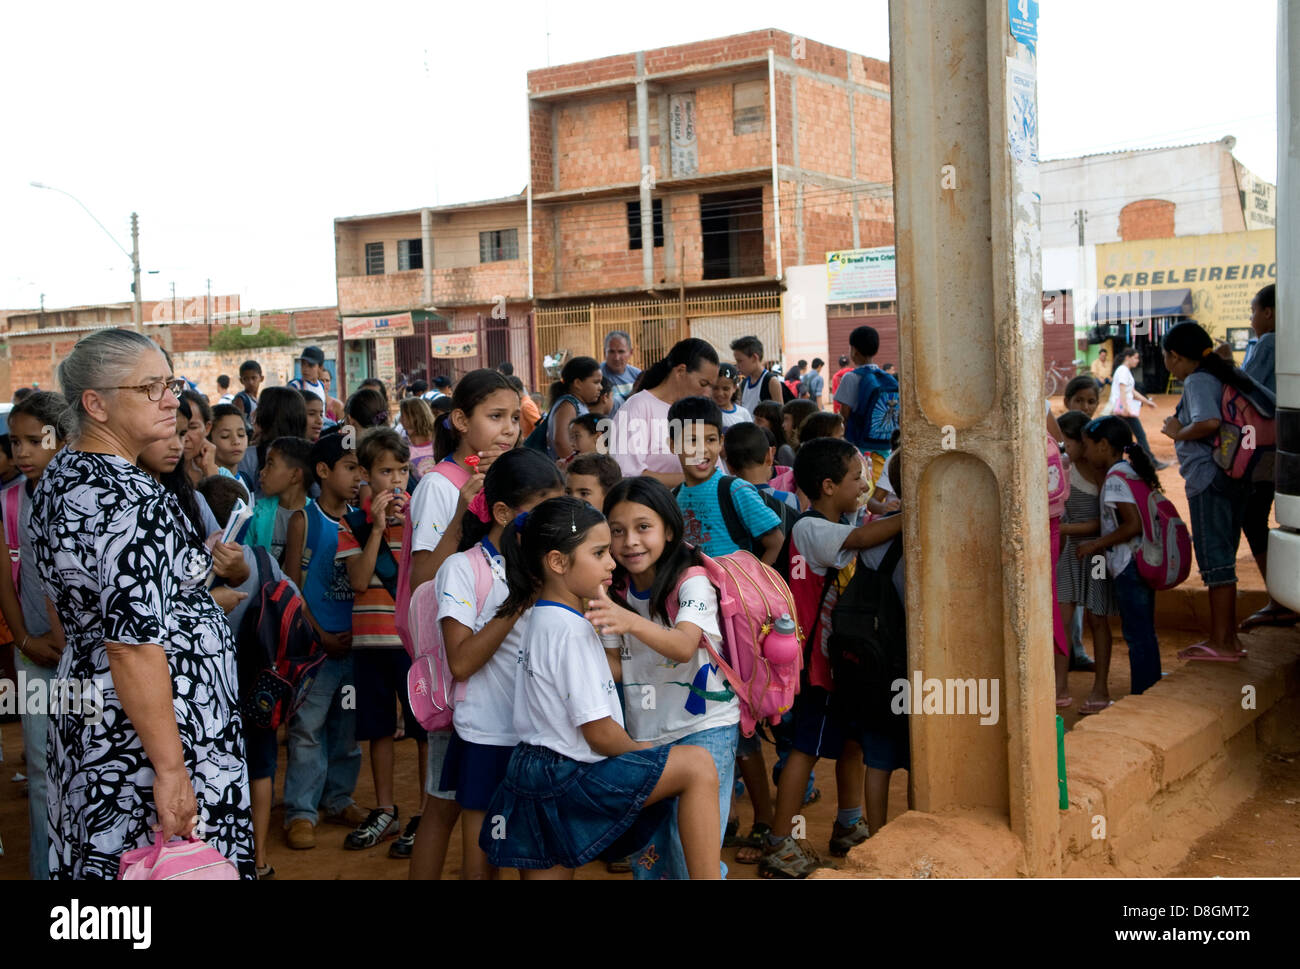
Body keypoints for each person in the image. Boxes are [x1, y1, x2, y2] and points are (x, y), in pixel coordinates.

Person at [29, 328, 254, 879]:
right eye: (150, 387)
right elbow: (131, 646)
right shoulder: (131, 497)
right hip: (148, 743)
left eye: (170, 383)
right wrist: (172, 770)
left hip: (96, 722)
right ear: (96, 404)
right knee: (166, 866)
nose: (171, 399)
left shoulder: (61, 477)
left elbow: (88, 604)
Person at [479, 496, 721, 879]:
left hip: (531, 771)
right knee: (696, 766)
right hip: (568, 775)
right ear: (558, 562)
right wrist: (642, 754)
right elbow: (599, 732)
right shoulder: (571, 631)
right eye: (599, 552)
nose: (612, 562)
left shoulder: (540, 618)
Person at [759, 437, 903, 878]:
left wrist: (883, 504)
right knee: (806, 748)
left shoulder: (833, 518)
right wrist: (912, 513)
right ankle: (779, 842)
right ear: (826, 486)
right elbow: (862, 536)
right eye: (855, 478)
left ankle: (847, 823)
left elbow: (866, 516)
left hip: (839, 663)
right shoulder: (811, 529)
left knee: (852, 742)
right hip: (813, 665)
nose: (863, 487)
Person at [586, 477, 739, 878]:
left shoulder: (693, 581)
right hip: (646, 734)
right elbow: (620, 667)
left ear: (669, 530)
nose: (630, 541)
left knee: (693, 856)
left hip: (706, 727)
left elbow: (684, 645)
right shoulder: (611, 590)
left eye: (643, 527)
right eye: (616, 531)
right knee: (651, 856)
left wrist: (628, 621)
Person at [439, 450, 565, 879]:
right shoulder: (462, 569)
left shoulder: (553, 566)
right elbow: (460, 662)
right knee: (482, 866)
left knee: (542, 860)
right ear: (502, 512)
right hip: (488, 737)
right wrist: (519, 601)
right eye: (540, 512)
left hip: (546, 737)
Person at [1160, 320, 1272, 661]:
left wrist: (1177, 432)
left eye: (1168, 358)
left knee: (1215, 559)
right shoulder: (1222, 374)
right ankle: (1228, 639)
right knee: (1223, 551)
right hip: (1233, 476)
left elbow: (1208, 422)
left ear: (1175, 356)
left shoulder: (1197, 380)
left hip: (1209, 478)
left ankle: (1222, 641)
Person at [339, 427, 428, 853]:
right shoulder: (352, 523)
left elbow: (426, 571)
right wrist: (375, 528)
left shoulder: (421, 516)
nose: (395, 480)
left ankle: (426, 812)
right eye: (385, 471)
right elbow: (358, 581)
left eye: (402, 469)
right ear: (365, 475)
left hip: (411, 643)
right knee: (377, 729)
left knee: (423, 729)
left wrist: (407, 520)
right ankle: (386, 809)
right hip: (370, 643)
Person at [279, 431, 366, 852]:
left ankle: (339, 798)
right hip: (316, 650)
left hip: (354, 646)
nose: (358, 477)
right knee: (307, 729)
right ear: (324, 471)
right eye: (350, 468)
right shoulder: (305, 521)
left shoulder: (362, 521)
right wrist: (320, 634)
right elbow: (291, 588)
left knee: (346, 728)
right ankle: (300, 811)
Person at [0, 391, 71, 879]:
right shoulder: (7, 501)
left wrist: (73, 646)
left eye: (33, 441)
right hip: (35, 655)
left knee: (90, 770)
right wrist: (25, 642)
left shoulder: (80, 498)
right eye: (14, 442)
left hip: (87, 656)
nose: (21, 452)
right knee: (44, 773)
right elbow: (3, 580)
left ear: (62, 441)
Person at [1077, 417, 1162, 695]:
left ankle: (1144, 690)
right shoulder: (1128, 470)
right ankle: (1150, 683)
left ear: (1103, 445)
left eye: (1088, 446)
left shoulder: (1115, 478)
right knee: (1143, 629)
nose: (1085, 453)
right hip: (1141, 561)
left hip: (1128, 564)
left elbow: (1132, 523)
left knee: (1136, 633)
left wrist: (1095, 544)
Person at [1237, 284, 1294, 629]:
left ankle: (1279, 598)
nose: (1252, 318)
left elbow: (1247, 387)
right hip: (1282, 443)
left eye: (1254, 311)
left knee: (1252, 515)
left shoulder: (1269, 342)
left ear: (1268, 313)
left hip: (1264, 447)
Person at [668, 396, 783, 565]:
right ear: (673, 445)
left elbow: (776, 543)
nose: (702, 449)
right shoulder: (674, 497)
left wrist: (750, 584)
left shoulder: (735, 490)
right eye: (692, 440)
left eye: (711, 440)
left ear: (721, 442)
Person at [1055, 411, 1115, 713]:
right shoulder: (1065, 468)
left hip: (1096, 554)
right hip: (1071, 554)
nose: (1061, 446)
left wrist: (1065, 529)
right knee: (1062, 620)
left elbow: (1104, 522)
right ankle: (1060, 686)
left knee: (1097, 618)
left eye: (1066, 440)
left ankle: (1100, 688)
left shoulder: (1098, 472)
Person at [608, 338, 720, 487]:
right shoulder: (638, 407)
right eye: (703, 384)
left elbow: (716, 469)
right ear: (680, 371)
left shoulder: (699, 413)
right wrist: (695, 479)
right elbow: (625, 475)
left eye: (711, 387)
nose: (707, 393)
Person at [835, 325, 899, 483]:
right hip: (885, 448)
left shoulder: (851, 378)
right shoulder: (888, 379)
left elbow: (845, 415)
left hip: (860, 450)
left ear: (854, 351)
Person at [238, 386, 307, 494]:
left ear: (266, 415)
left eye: (258, 407)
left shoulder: (248, 456)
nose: (253, 413)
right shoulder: (310, 455)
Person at [1104, 346, 1165, 469]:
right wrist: (1125, 407)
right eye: (1135, 358)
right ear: (1128, 358)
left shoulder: (1123, 370)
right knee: (1139, 435)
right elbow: (1123, 390)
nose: (1137, 361)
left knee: (1122, 437)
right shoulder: (1123, 371)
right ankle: (1150, 462)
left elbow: (1131, 391)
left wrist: (1147, 402)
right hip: (1123, 410)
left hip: (1121, 410)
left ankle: (1119, 460)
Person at [543, 356, 603, 463]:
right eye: (596, 382)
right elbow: (560, 442)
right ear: (578, 383)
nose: (600, 387)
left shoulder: (578, 404)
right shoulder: (568, 405)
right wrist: (575, 466)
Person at [732, 336, 785, 413]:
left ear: (754, 358)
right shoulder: (743, 383)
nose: (738, 366)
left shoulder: (771, 382)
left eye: (740, 361)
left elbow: (780, 416)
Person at [209, 403, 252, 489]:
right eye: (225, 436)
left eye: (241, 434)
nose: (236, 441)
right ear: (208, 440)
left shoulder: (246, 480)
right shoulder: (206, 483)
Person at [601, 330, 641, 415]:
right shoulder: (597, 376)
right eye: (611, 352)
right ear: (604, 352)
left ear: (630, 352)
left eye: (621, 351)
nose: (616, 357)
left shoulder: (638, 376)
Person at [400, 396, 439, 476]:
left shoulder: (438, 440)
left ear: (414, 417)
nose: (400, 419)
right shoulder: (402, 444)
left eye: (403, 416)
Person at [754, 400, 795, 467]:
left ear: (774, 424)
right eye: (754, 419)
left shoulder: (783, 451)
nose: (754, 424)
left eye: (759, 421)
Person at [712, 362, 752, 428]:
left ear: (734, 388)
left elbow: (751, 437)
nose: (720, 393)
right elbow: (695, 437)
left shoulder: (744, 414)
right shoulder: (703, 412)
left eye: (725, 389)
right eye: (715, 388)